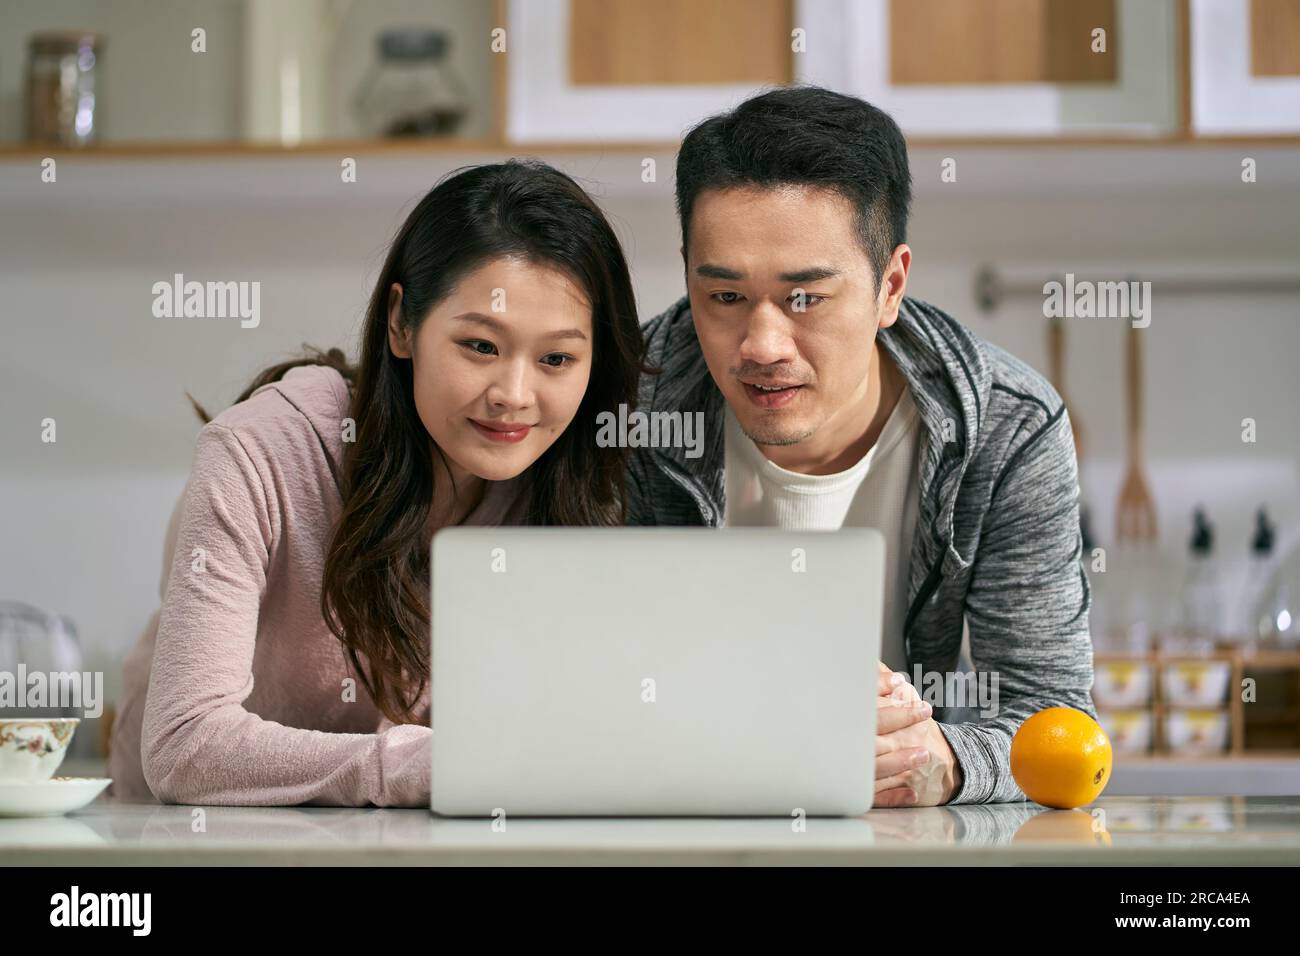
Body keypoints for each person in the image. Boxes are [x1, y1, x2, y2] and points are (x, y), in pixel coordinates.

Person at [109, 160, 645, 806]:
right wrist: (425, 765)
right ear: (401, 323)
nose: (514, 396)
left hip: (386, 839)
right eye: (480, 346)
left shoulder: (566, 484)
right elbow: (184, 747)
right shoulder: (261, 451)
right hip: (177, 840)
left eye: (557, 359)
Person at [626, 86, 1096, 806]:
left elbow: (1053, 720)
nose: (761, 345)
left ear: (890, 286)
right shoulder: (625, 402)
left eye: (805, 297)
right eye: (723, 297)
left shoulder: (1008, 429)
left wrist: (951, 759)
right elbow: (583, 688)